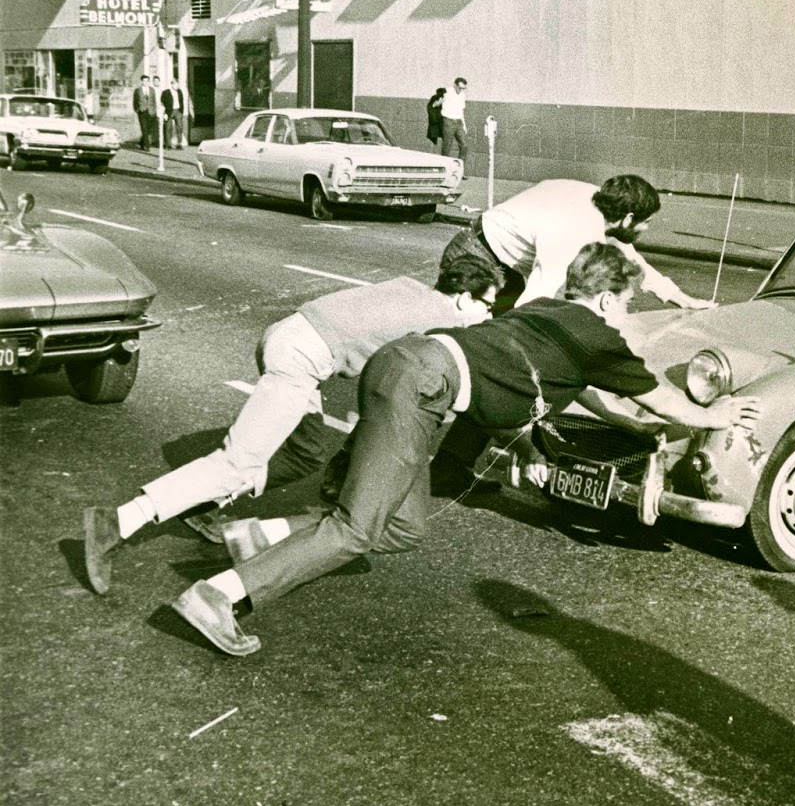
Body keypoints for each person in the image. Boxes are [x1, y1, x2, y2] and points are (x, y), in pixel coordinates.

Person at [165, 243, 762, 657]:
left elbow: (594, 398)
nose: (627, 314)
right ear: (610, 299)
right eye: (629, 302)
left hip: (401, 365)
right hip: (421, 386)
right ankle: (217, 596)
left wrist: (633, 431)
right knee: (354, 529)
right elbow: (664, 400)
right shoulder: (600, 336)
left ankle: (250, 540)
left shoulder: (543, 313)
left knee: (401, 528)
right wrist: (716, 413)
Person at [81, 255, 502, 595]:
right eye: (487, 304)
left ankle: (198, 502)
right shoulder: (439, 321)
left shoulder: (412, 289)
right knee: (237, 464)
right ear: (464, 298)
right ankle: (117, 521)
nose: (487, 315)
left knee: (308, 450)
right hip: (299, 358)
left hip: (285, 336)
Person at [441, 174, 713, 311]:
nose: (646, 229)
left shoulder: (600, 201)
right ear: (628, 218)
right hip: (474, 257)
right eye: (646, 222)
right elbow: (536, 298)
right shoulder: (572, 231)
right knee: (463, 339)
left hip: (501, 262)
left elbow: (633, 262)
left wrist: (683, 300)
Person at [438, 76, 468, 160]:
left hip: (458, 122)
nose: (461, 90)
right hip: (448, 122)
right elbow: (437, 103)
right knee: (446, 147)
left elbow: (461, 111)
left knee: (464, 146)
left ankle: (460, 168)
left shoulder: (462, 95)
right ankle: (445, 167)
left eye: (463, 88)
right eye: (460, 88)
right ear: (455, 85)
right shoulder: (446, 92)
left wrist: (464, 126)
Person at [160, 80, 193, 149]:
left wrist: (181, 112)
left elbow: (182, 101)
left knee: (179, 127)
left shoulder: (179, 92)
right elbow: (162, 103)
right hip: (169, 111)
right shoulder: (166, 92)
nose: (177, 86)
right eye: (176, 84)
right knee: (168, 127)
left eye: (178, 84)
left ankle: (179, 143)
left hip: (178, 111)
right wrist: (164, 113)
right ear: (172, 84)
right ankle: (168, 144)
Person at [133, 76, 158, 151]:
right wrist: (137, 110)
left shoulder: (152, 90)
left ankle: (141, 142)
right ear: (142, 82)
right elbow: (134, 101)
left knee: (149, 129)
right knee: (144, 128)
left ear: (149, 81)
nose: (145, 82)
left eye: (147, 81)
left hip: (151, 112)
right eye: (144, 81)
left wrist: (154, 110)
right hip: (142, 111)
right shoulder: (138, 90)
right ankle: (147, 146)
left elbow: (154, 101)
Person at [425, 87, 447, 152]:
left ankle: (433, 154)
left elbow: (430, 108)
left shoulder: (434, 97)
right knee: (441, 140)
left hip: (434, 122)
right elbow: (432, 107)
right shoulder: (441, 98)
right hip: (439, 122)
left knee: (433, 140)